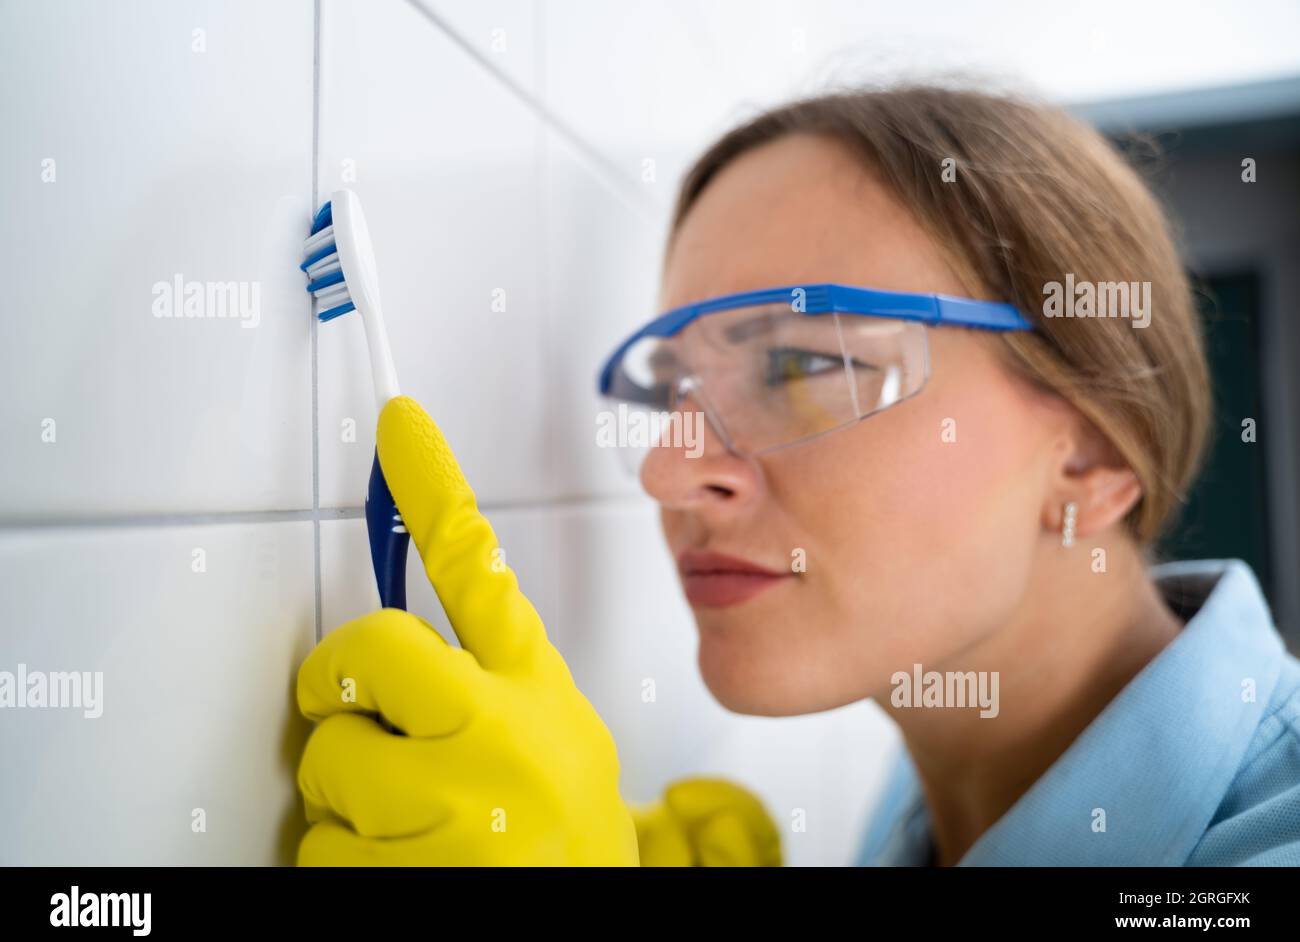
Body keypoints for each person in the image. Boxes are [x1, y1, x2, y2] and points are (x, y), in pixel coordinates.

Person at [293, 85, 1300, 866]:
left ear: (1087, 452)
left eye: (801, 363)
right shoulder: (943, 772)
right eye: (673, 385)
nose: (666, 470)